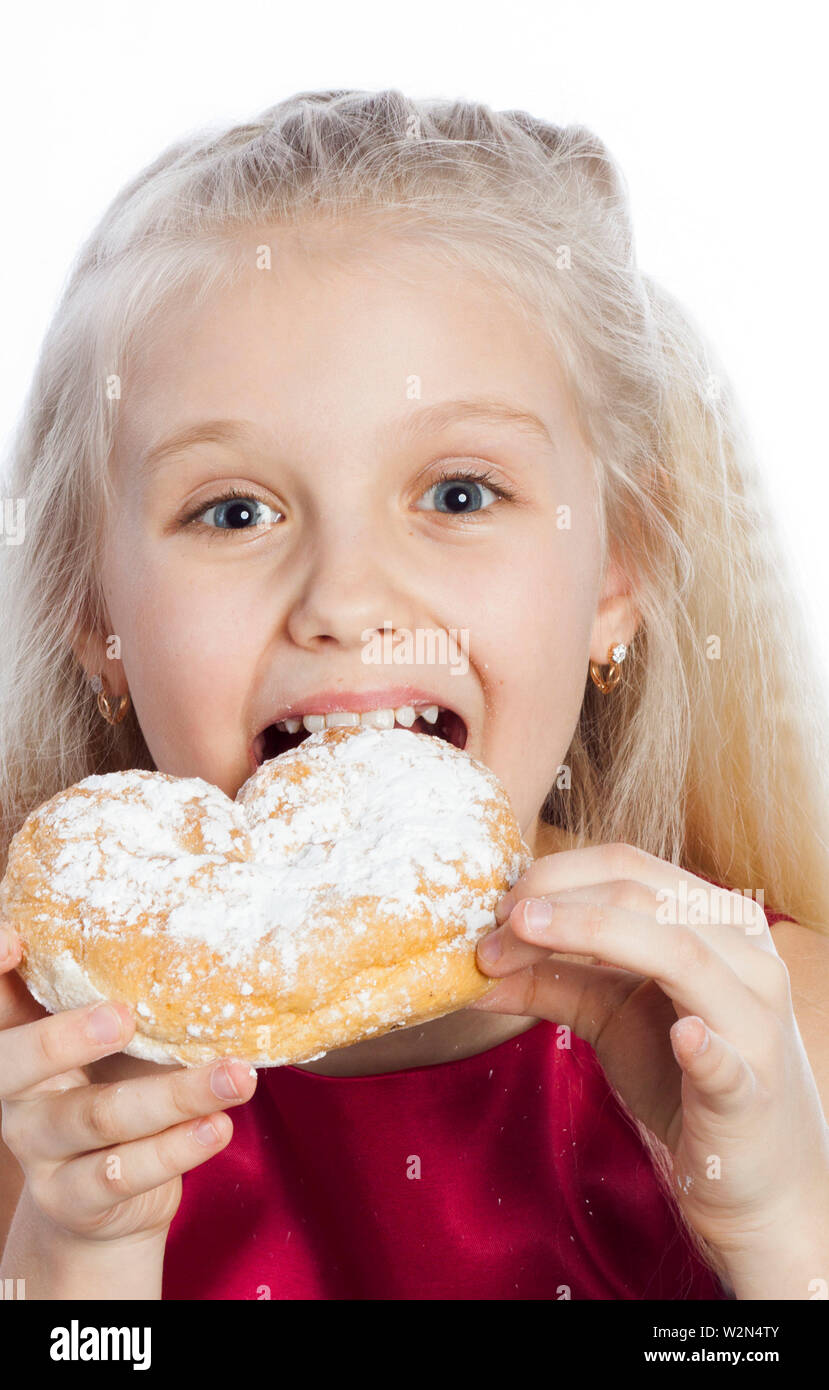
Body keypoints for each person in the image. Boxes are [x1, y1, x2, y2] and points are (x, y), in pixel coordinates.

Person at [0, 89, 827, 1301]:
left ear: (618, 567)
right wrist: (79, 1275)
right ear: (96, 615)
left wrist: (781, 1227)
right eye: (232, 511)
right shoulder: (36, 1085)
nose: (343, 594)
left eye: (456, 492)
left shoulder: (773, 1027)